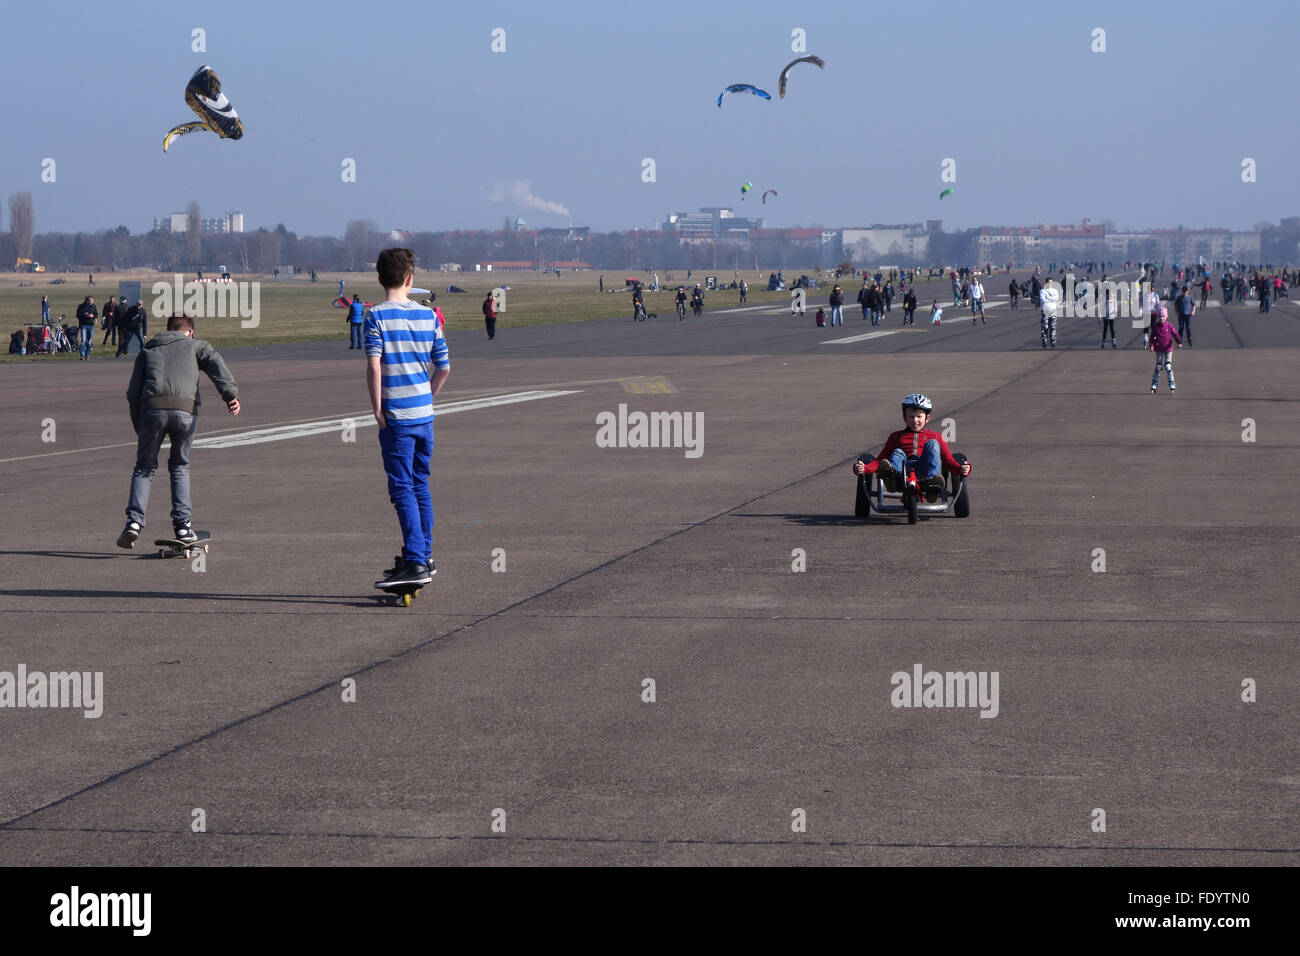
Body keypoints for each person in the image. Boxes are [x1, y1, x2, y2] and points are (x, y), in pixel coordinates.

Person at [364, 248, 450, 589]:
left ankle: (415, 560)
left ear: (381, 278)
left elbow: (373, 366)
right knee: (420, 485)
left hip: (397, 415)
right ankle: (423, 553)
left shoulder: (376, 317)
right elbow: (444, 367)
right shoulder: (429, 317)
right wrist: (427, 396)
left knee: (401, 488)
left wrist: (376, 409)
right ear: (410, 279)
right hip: (424, 415)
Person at [117, 314, 241, 549]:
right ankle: (183, 526)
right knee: (179, 466)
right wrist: (230, 396)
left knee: (144, 467)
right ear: (190, 332)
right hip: (185, 410)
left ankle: (133, 523)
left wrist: (140, 426)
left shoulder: (148, 351)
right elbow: (215, 364)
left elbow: (133, 393)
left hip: (152, 411)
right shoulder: (196, 346)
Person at [852, 393, 972, 495]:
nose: (915, 420)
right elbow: (880, 460)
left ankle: (932, 482)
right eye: (911, 417)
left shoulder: (936, 436)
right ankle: (893, 479)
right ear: (905, 418)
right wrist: (864, 468)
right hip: (903, 470)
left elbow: (948, 461)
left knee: (933, 444)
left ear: (927, 418)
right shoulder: (896, 436)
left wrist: (961, 469)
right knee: (897, 452)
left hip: (925, 469)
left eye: (919, 416)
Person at [1149, 307, 1180, 393]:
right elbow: (1152, 338)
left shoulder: (1169, 326)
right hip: (1158, 349)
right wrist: (1151, 345)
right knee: (1158, 366)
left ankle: (1172, 384)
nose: (1161, 318)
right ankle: (1154, 384)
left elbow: (1175, 334)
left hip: (1168, 349)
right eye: (1160, 316)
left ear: (1166, 317)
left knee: (1168, 366)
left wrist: (1179, 341)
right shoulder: (1155, 327)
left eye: (1163, 316)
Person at [1039, 277, 1060, 348]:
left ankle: (1052, 341)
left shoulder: (1055, 290)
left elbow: (1056, 298)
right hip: (1045, 311)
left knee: (1053, 327)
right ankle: (1045, 342)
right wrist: (1052, 299)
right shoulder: (1042, 290)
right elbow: (1042, 299)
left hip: (1053, 311)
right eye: (1049, 282)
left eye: (1051, 282)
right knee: (1044, 327)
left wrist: (1047, 297)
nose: (1050, 284)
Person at [75, 296, 97, 360]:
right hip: (84, 325)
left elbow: (96, 314)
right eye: (90, 300)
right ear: (87, 301)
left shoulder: (93, 306)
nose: (91, 302)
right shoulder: (81, 306)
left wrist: (93, 316)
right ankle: (82, 355)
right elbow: (78, 315)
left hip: (91, 325)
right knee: (83, 340)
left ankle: (87, 355)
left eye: (92, 301)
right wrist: (85, 315)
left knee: (89, 341)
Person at [1099, 285, 1117, 349]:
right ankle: (1104, 340)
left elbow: (1116, 308)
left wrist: (1115, 311)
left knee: (1112, 328)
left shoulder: (1114, 301)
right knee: (1105, 329)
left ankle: (1113, 340)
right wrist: (1100, 317)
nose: (1108, 296)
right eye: (1107, 295)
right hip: (1105, 317)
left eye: (1109, 295)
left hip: (1112, 317)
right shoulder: (1103, 301)